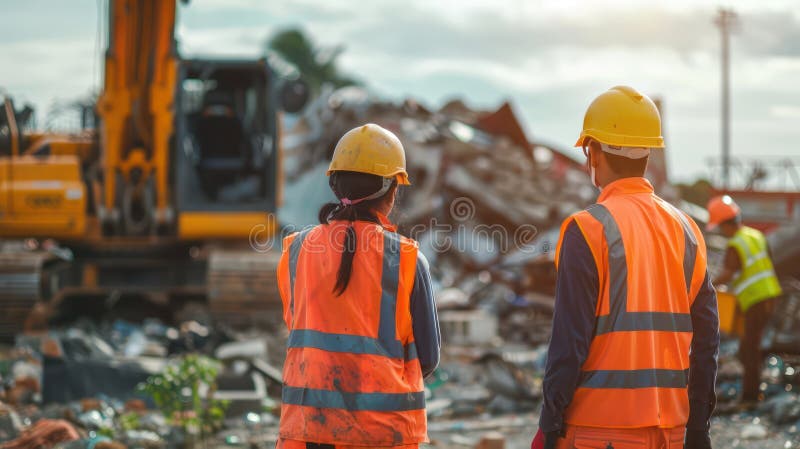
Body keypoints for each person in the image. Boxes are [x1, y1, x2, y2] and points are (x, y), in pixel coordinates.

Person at [531, 86, 719, 449]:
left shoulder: (586, 229)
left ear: (594, 153)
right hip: (672, 433)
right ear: (647, 153)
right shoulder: (688, 230)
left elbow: (569, 343)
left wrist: (549, 424)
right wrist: (698, 427)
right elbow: (707, 339)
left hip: (598, 431)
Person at [275, 123, 440, 449]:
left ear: (334, 184)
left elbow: (298, 328)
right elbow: (429, 358)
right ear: (392, 190)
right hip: (383, 433)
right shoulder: (407, 258)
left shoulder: (297, 251)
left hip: (308, 429)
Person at [706, 195, 782, 405]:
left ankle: (750, 398)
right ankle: (754, 387)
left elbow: (728, 273)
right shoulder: (755, 235)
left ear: (724, 224)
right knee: (749, 346)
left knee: (750, 349)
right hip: (770, 295)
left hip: (756, 300)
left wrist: (706, 286)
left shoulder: (735, 245)